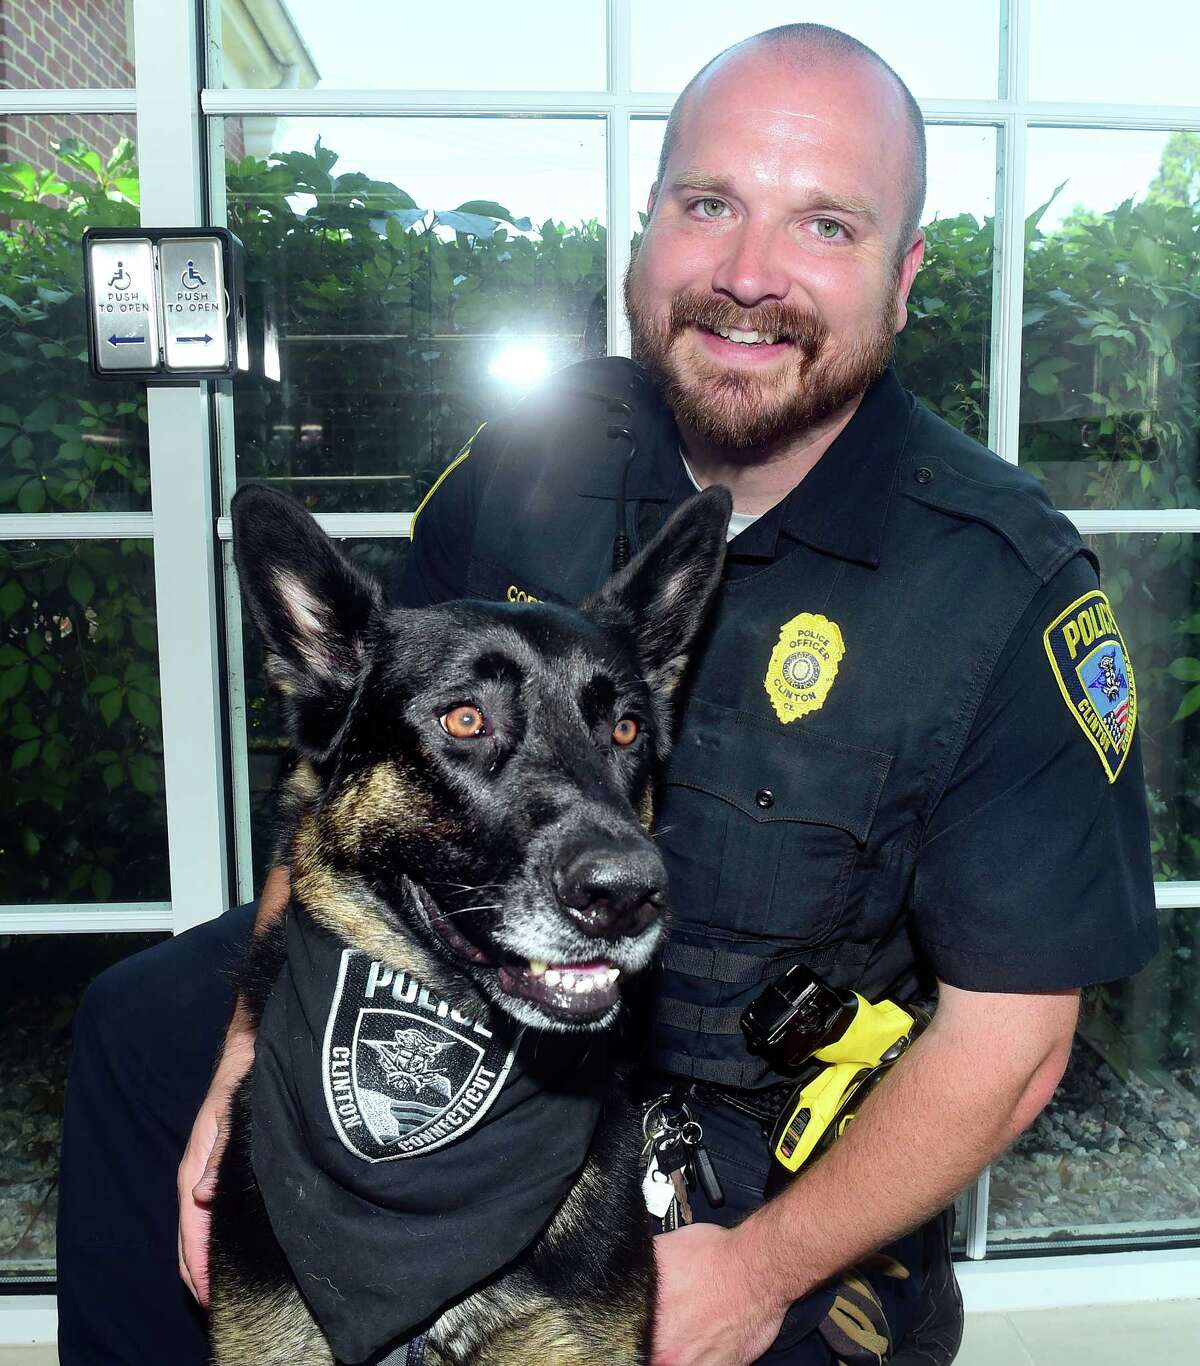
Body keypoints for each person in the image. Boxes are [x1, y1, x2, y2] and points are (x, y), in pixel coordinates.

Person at [57, 23, 1157, 1366]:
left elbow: (1017, 1039)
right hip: (467, 988)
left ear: (905, 274)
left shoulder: (1002, 582)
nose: (749, 276)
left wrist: (757, 1271)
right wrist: (247, 1056)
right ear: (644, 232)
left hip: (752, 1136)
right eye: (709, 206)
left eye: (824, 224)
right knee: (139, 1028)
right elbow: (356, 758)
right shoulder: (538, 449)